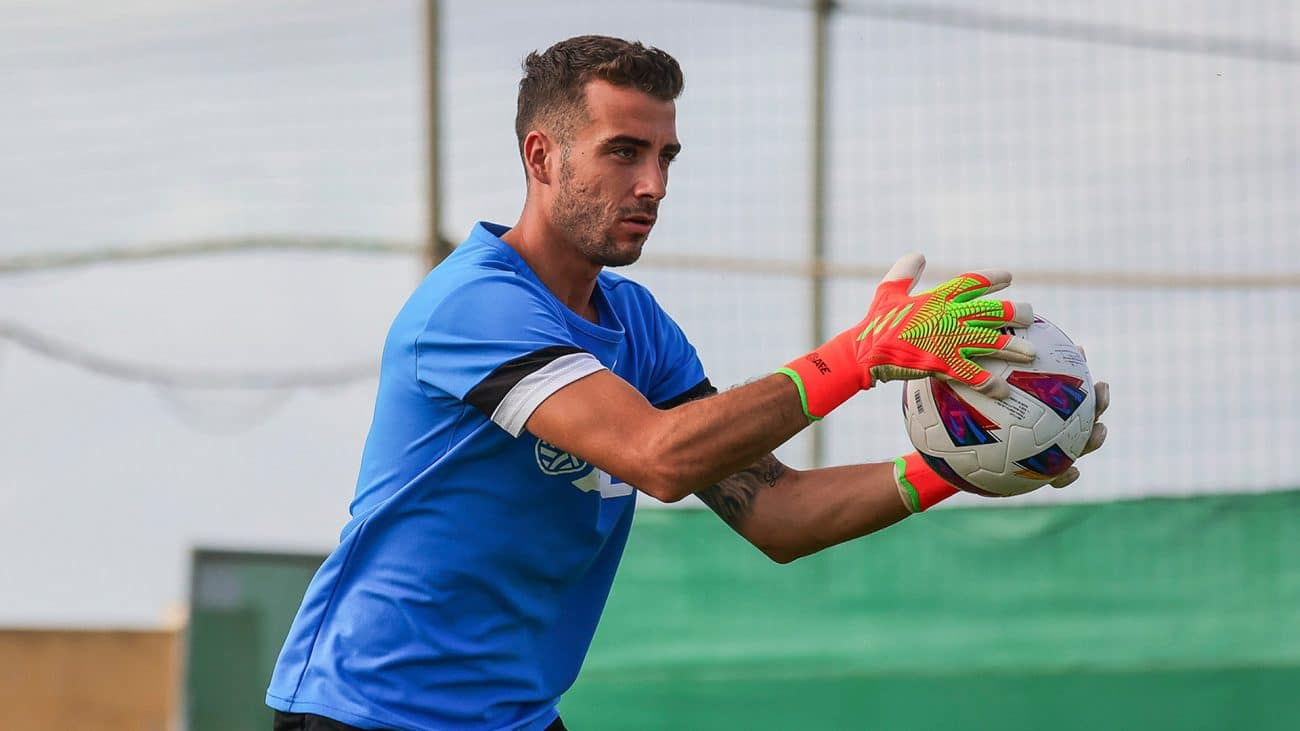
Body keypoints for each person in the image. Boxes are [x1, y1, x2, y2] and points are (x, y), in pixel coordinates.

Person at [266, 35, 1108, 731]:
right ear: (542, 156)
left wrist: (962, 461)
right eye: (624, 152)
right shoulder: (474, 305)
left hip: (511, 715)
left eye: (665, 156)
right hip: (366, 709)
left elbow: (776, 512)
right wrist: (857, 356)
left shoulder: (637, 325)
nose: (654, 185)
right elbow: (657, 457)